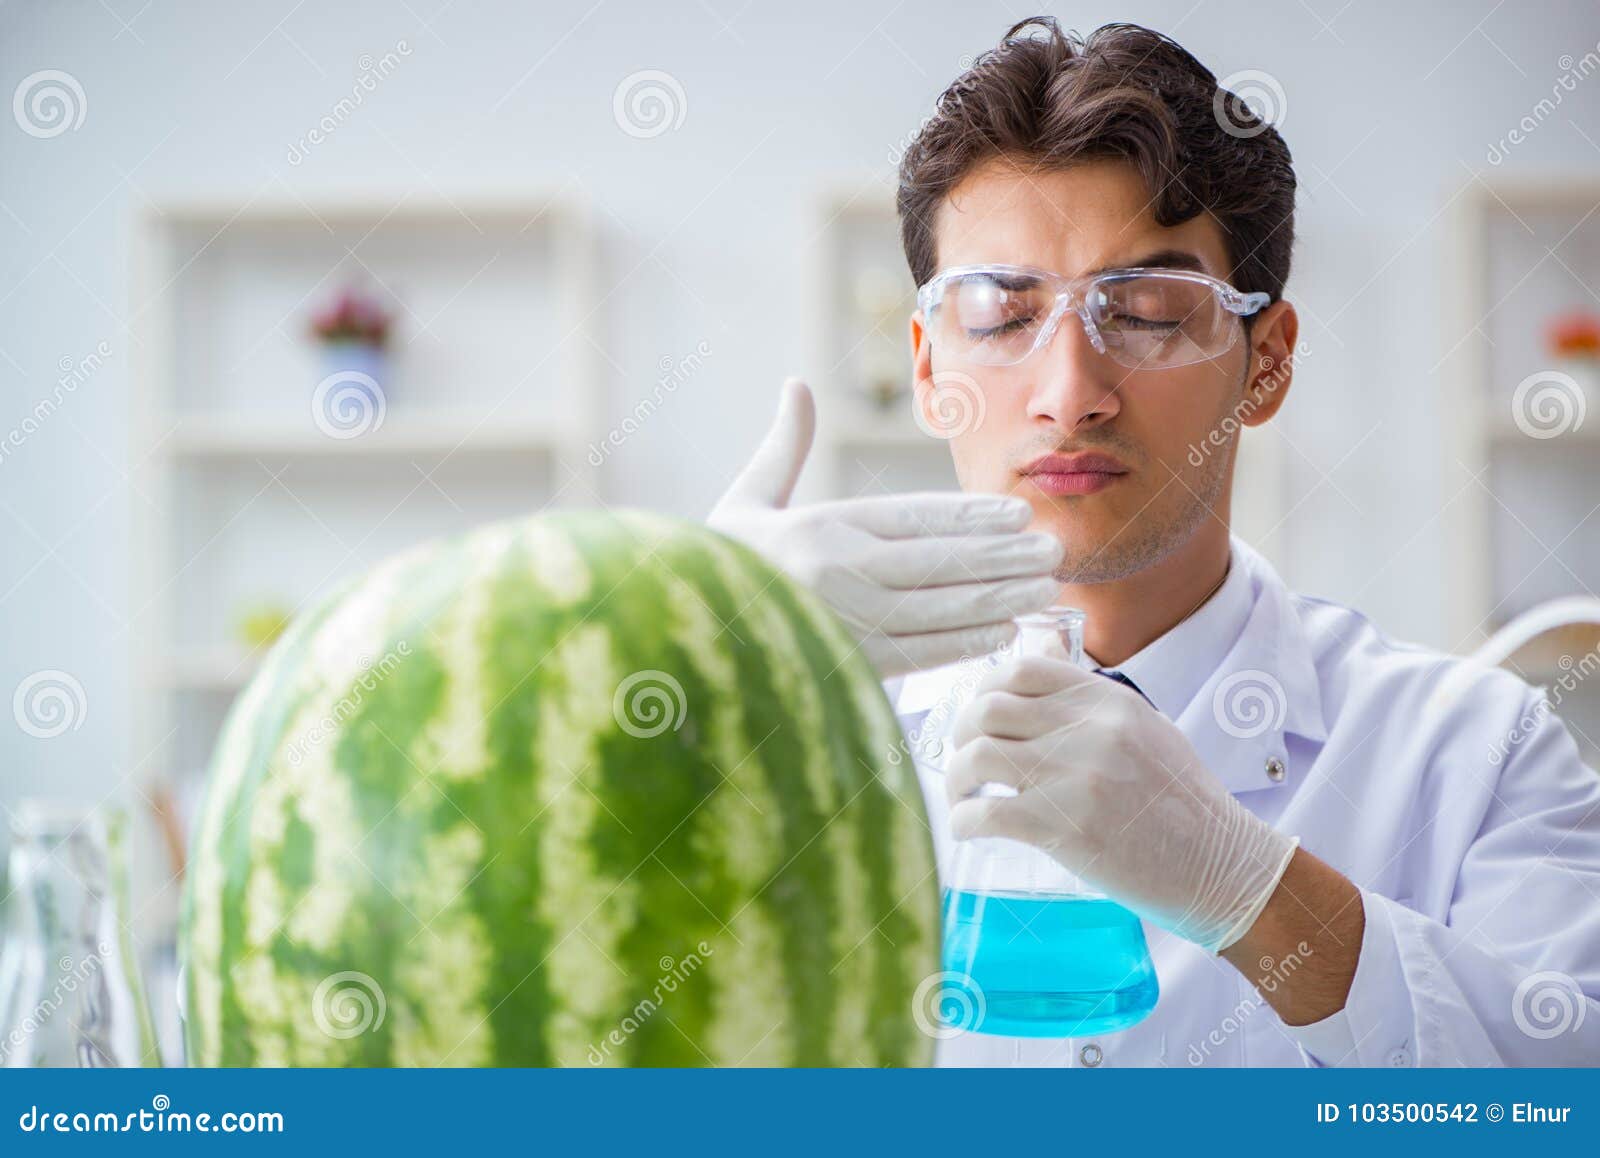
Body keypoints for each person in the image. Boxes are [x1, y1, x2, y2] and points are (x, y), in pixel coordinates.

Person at [710, 17, 1600, 1066]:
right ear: (925, 368)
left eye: (1144, 310)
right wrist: (685, 651)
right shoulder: (791, 746)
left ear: (1264, 362)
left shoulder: (1472, 755)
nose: (1069, 394)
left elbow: (1553, 1105)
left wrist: (1253, 891)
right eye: (1000, 315)